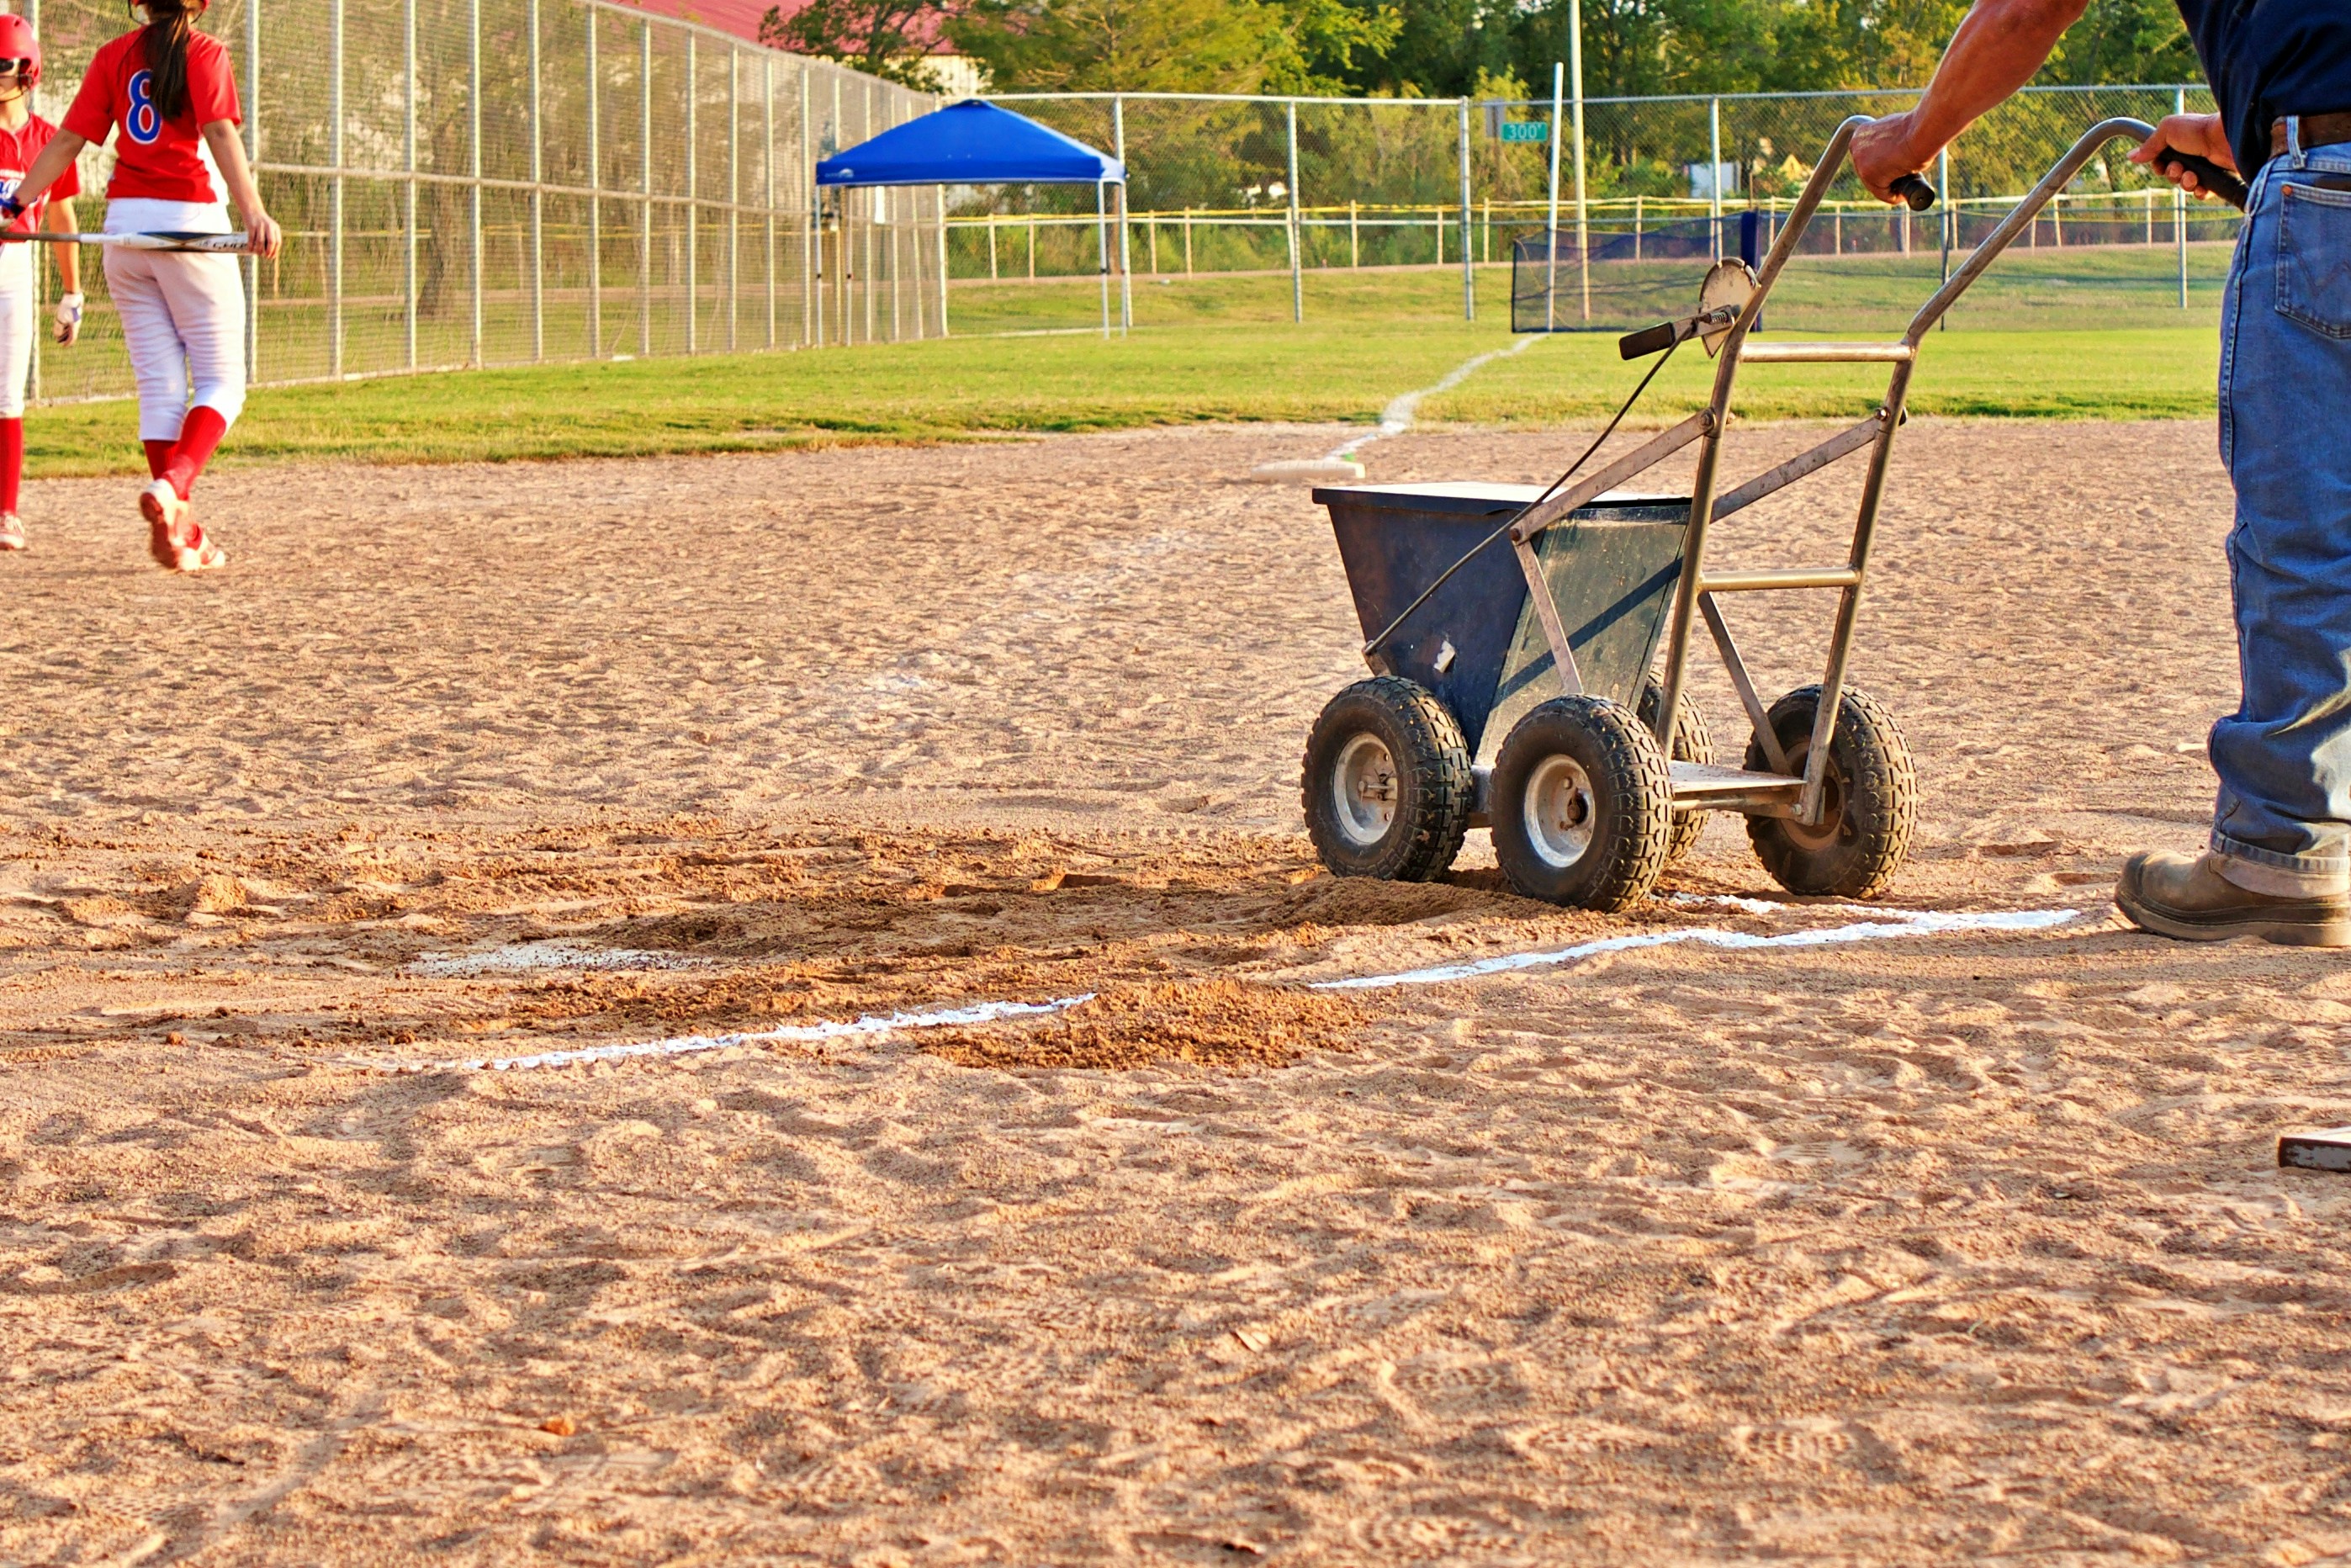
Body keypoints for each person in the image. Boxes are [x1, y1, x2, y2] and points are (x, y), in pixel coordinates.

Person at [1851, 0, 2351, 947]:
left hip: (2330, 195)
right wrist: (2242, 137)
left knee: (2308, 532)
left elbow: (2026, 8)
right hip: (2310, 151)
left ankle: (2281, 850)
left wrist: (1907, 140)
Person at [1, 0, 280, 573]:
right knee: (224, 382)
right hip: (188, 227)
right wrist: (253, 210)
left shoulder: (114, 54)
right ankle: (174, 486)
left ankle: (183, 531)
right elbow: (219, 131)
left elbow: (68, 141)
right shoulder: (205, 51)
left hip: (123, 230)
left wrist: (15, 202)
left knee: (160, 386)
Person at [0, 13, 84, 554]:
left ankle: (6, 513)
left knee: (7, 397)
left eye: (1, 65)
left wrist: (72, 293)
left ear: (27, 70)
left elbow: (61, 219)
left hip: (15, 271)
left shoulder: (49, 141)